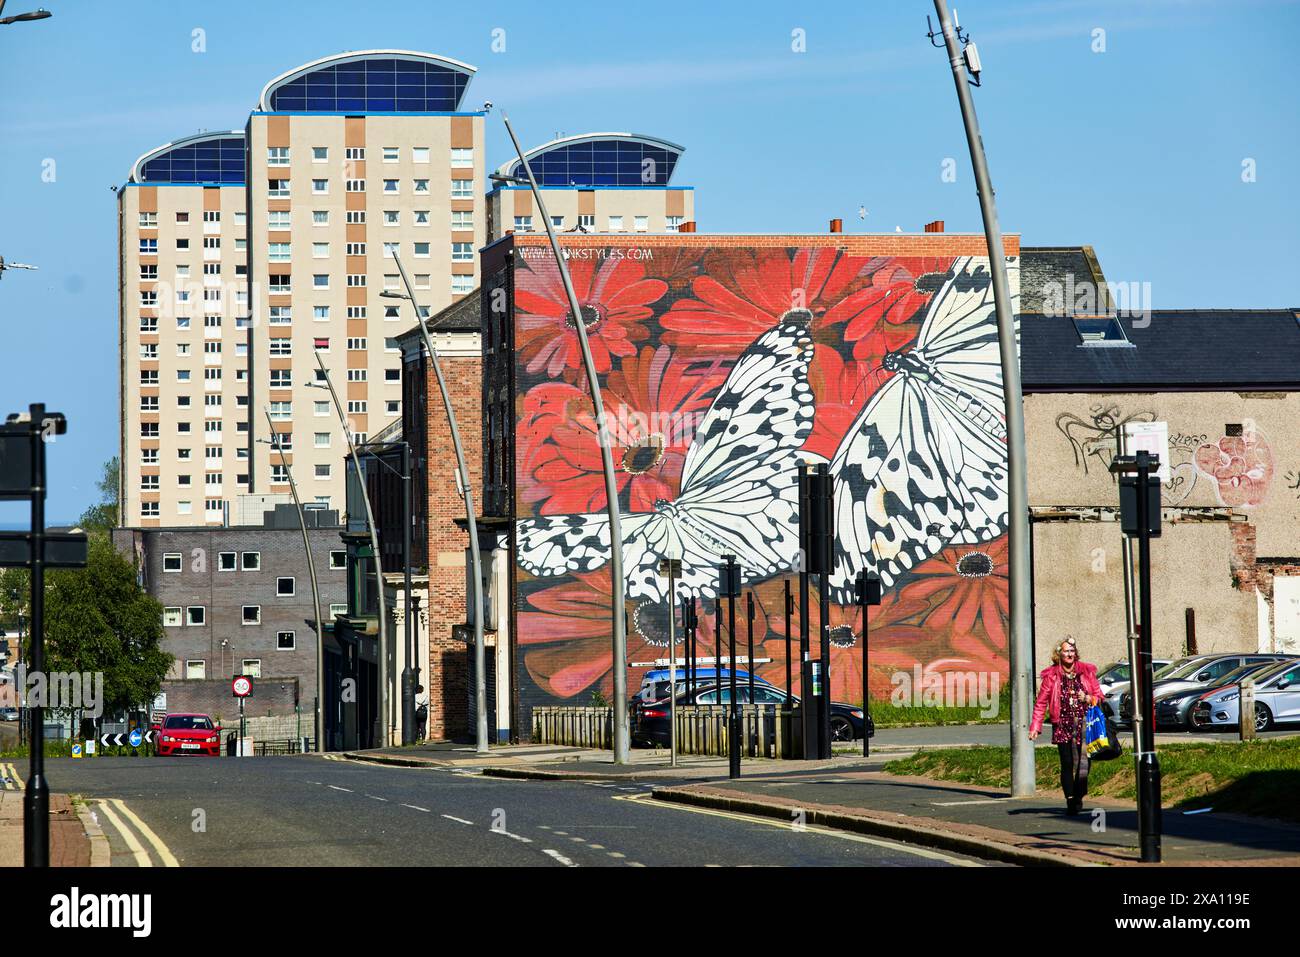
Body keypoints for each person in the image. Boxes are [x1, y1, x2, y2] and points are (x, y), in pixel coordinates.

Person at [1029, 638, 1102, 815]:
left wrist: (1088, 698)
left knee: (1085, 763)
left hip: (1084, 724)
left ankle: (1079, 794)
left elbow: (1099, 697)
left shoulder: (1087, 672)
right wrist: (1035, 726)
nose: (1069, 654)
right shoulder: (1051, 676)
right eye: (1066, 651)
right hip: (1062, 724)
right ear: (1059, 654)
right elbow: (1041, 703)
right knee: (1067, 762)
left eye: (1072, 651)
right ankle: (1070, 798)